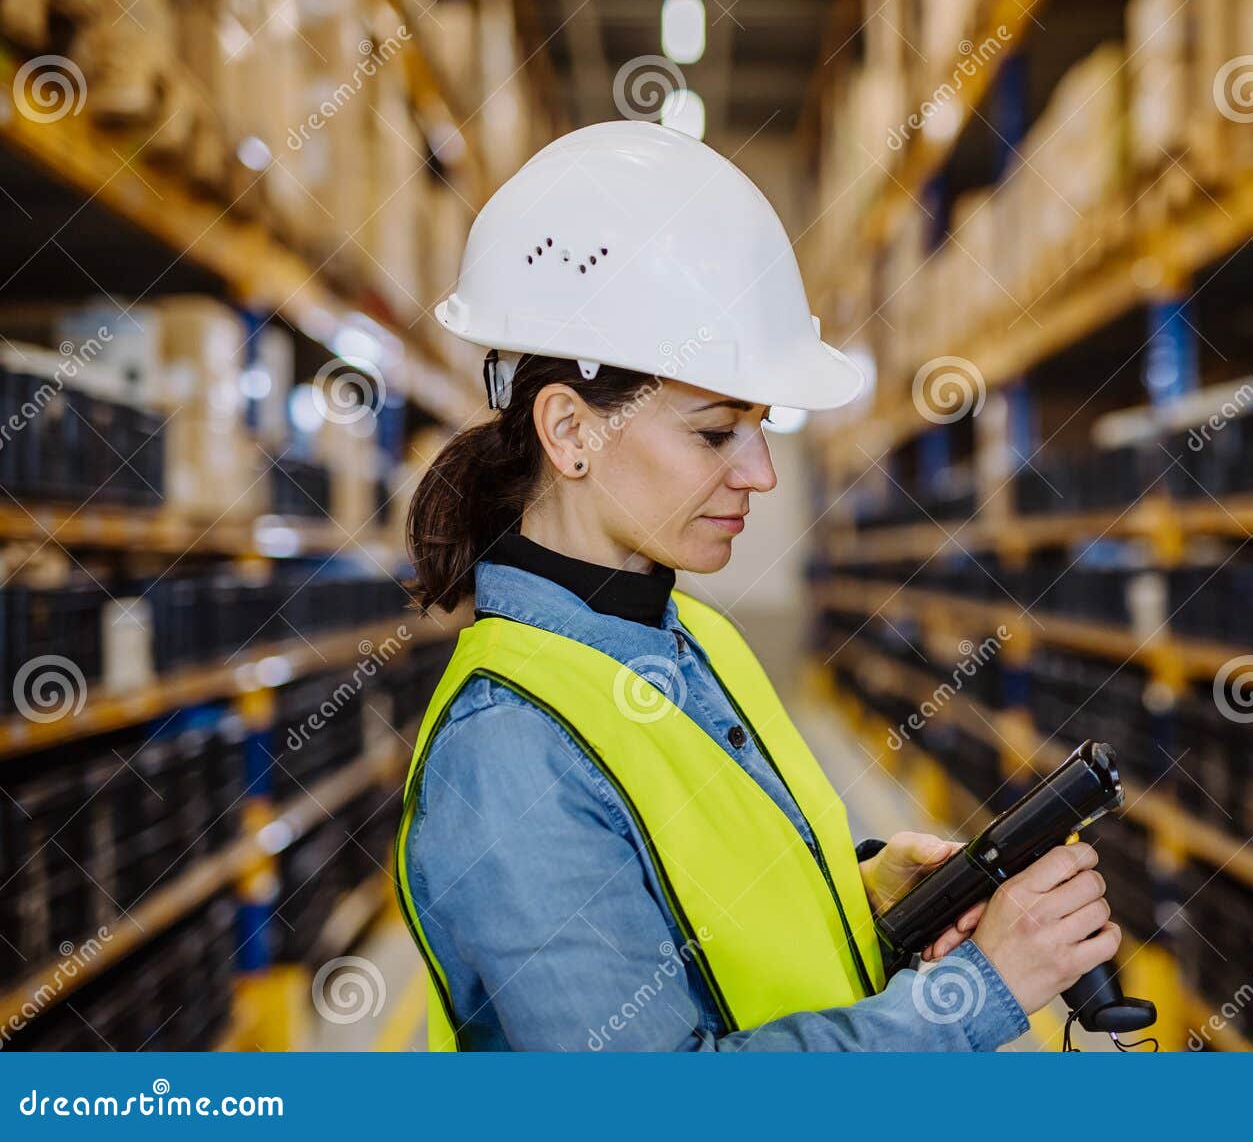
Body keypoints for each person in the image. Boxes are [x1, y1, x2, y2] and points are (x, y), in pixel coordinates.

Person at [395, 120, 1121, 1051]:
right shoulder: (508, 755)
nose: (762, 475)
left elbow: (694, 906)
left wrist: (855, 889)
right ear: (571, 431)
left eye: (760, 428)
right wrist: (976, 994)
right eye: (713, 433)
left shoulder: (690, 634)